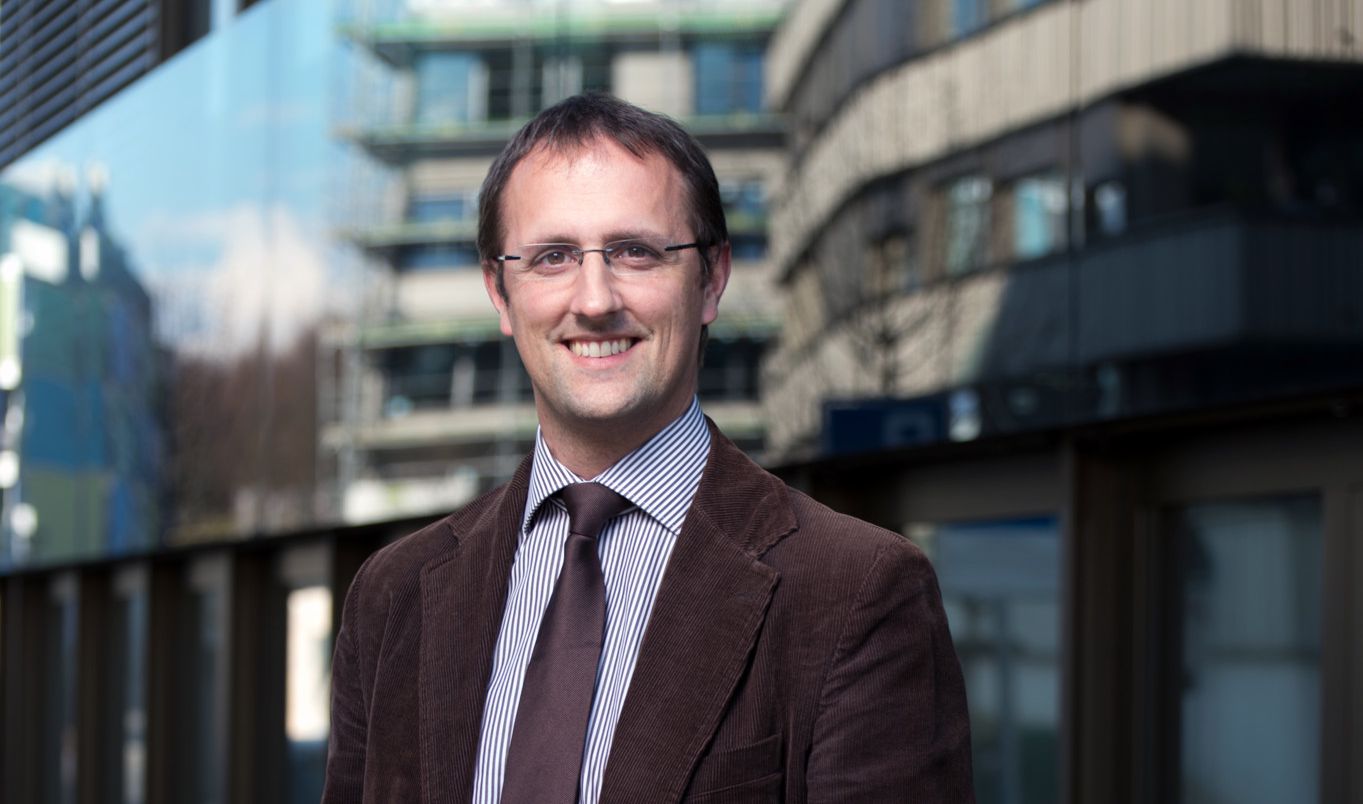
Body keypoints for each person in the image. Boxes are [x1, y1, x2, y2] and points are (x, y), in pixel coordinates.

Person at [322, 93, 974, 804]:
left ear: (711, 278)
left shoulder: (856, 593)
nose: (595, 298)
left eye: (636, 252)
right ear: (500, 293)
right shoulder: (393, 597)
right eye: (552, 257)